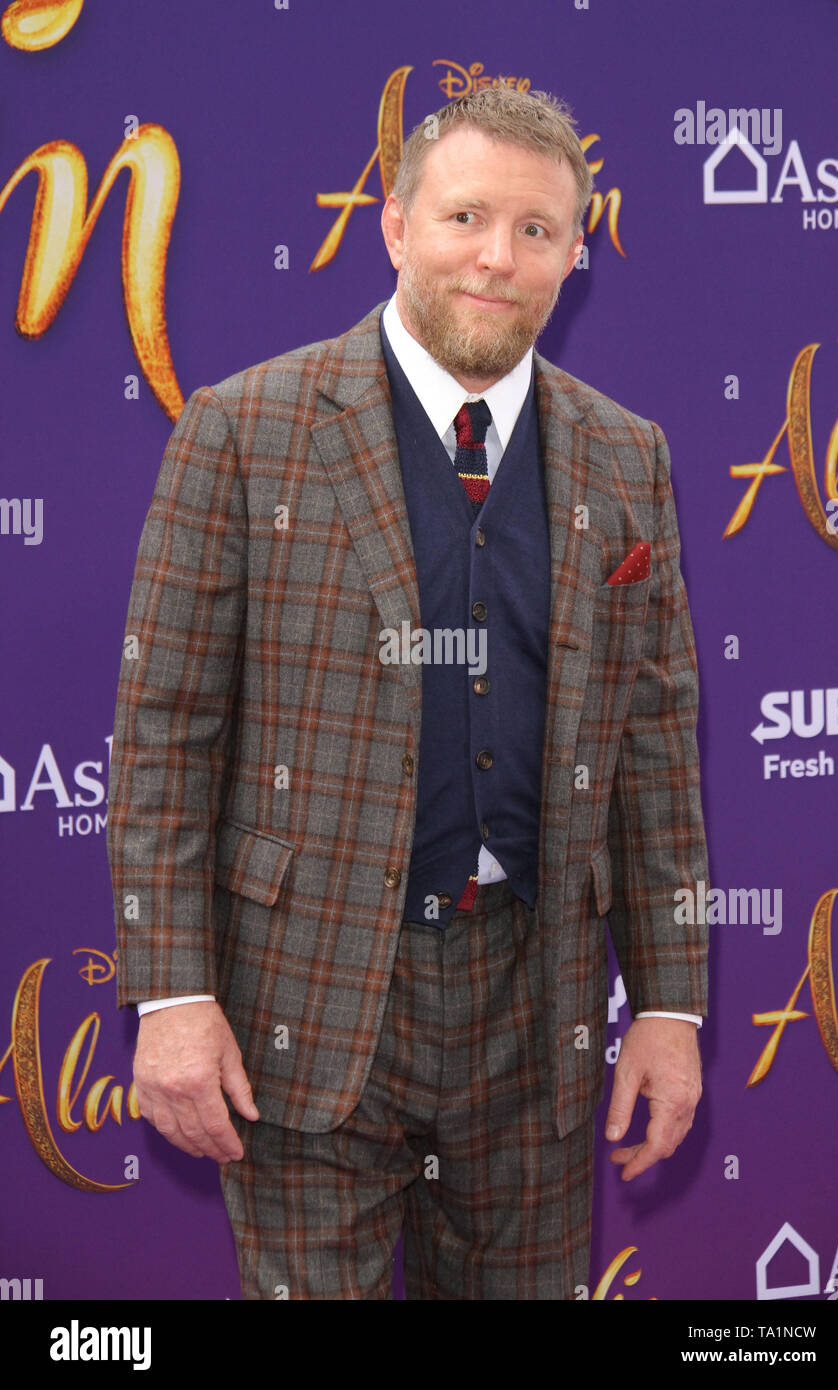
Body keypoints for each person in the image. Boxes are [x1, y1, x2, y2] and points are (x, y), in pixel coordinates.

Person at [106, 85, 709, 1301]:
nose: (496, 256)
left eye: (534, 229)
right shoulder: (241, 431)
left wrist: (671, 1006)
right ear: (394, 225)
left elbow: (649, 744)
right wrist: (171, 994)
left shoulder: (624, 453)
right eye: (465, 216)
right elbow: (163, 733)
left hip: (532, 1012)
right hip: (305, 995)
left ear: (575, 254)